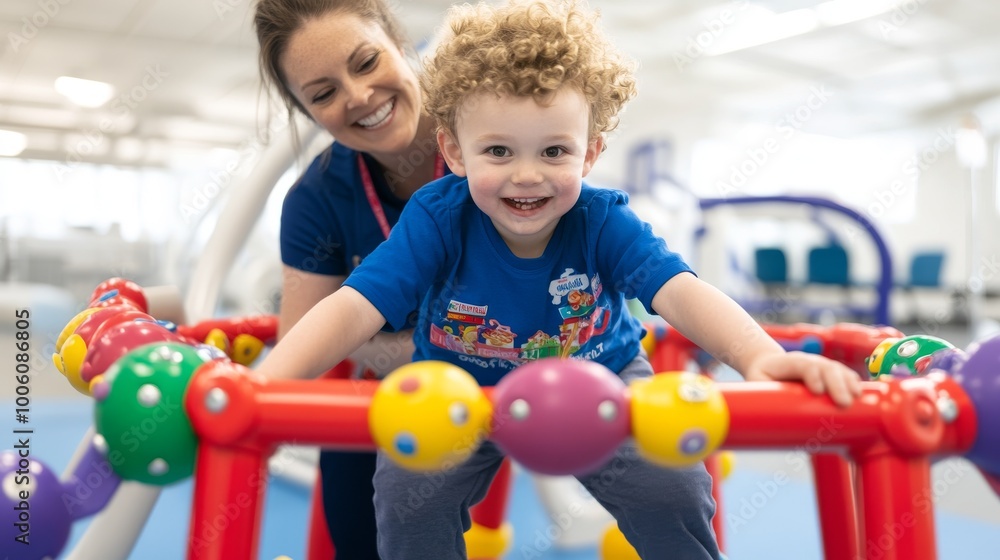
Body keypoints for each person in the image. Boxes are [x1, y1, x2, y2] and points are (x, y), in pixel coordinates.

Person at [255, 0, 862, 558]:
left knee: (671, 486)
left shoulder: (601, 220)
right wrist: (266, 385)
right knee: (405, 495)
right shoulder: (436, 217)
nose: (526, 176)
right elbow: (354, 306)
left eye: (553, 152)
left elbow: (680, 290)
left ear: (590, 153)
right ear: (456, 152)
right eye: (498, 152)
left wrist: (758, 356)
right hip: (459, 388)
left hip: (603, 376)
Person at [253, 0, 448, 557]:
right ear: (308, 112)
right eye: (323, 94)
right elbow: (304, 344)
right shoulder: (317, 199)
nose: (358, 96)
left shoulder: (491, 137)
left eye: (366, 62)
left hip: (518, 387)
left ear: (400, 45)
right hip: (397, 397)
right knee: (354, 483)